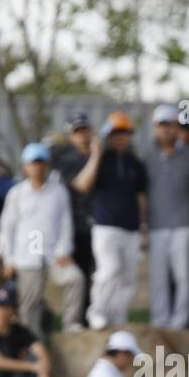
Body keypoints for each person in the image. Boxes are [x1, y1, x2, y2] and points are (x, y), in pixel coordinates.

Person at [71, 112, 148, 330]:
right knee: (109, 271)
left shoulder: (135, 163)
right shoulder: (101, 159)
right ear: (108, 136)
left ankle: (118, 317)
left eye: (124, 133)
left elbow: (141, 197)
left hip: (131, 228)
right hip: (106, 226)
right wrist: (96, 154)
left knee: (128, 278)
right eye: (116, 133)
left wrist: (144, 228)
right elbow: (82, 185)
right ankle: (97, 313)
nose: (121, 138)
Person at [0, 143, 84, 335]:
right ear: (25, 167)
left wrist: (64, 250)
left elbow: (65, 223)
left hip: (54, 253)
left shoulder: (58, 191)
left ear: (47, 165)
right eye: (33, 163)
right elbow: (7, 228)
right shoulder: (17, 193)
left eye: (41, 163)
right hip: (26, 256)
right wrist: (8, 259)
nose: (37, 167)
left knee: (75, 279)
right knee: (29, 303)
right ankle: (31, 340)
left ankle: (71, 325)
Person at [145, 104, 189, 329]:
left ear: (178, 127)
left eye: (171, 125)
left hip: (184, 223)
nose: (166, 130)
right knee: (158, 278)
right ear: (155, 127)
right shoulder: (146, 155)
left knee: (183, 276)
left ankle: (180, 321)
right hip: (156, 224)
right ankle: (160, 320)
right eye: (162, 125)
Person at [53, 112, 97, 320]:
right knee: (81, 276)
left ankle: (95, 317)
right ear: (71, 136)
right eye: (77, 132)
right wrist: (96, 156)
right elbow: (82, 185)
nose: (82, 135)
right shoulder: (67, 160)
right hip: (76, 227)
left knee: (99, 277)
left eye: (84, 130)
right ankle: (79, 320)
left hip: (100, 224)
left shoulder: (101, 156)